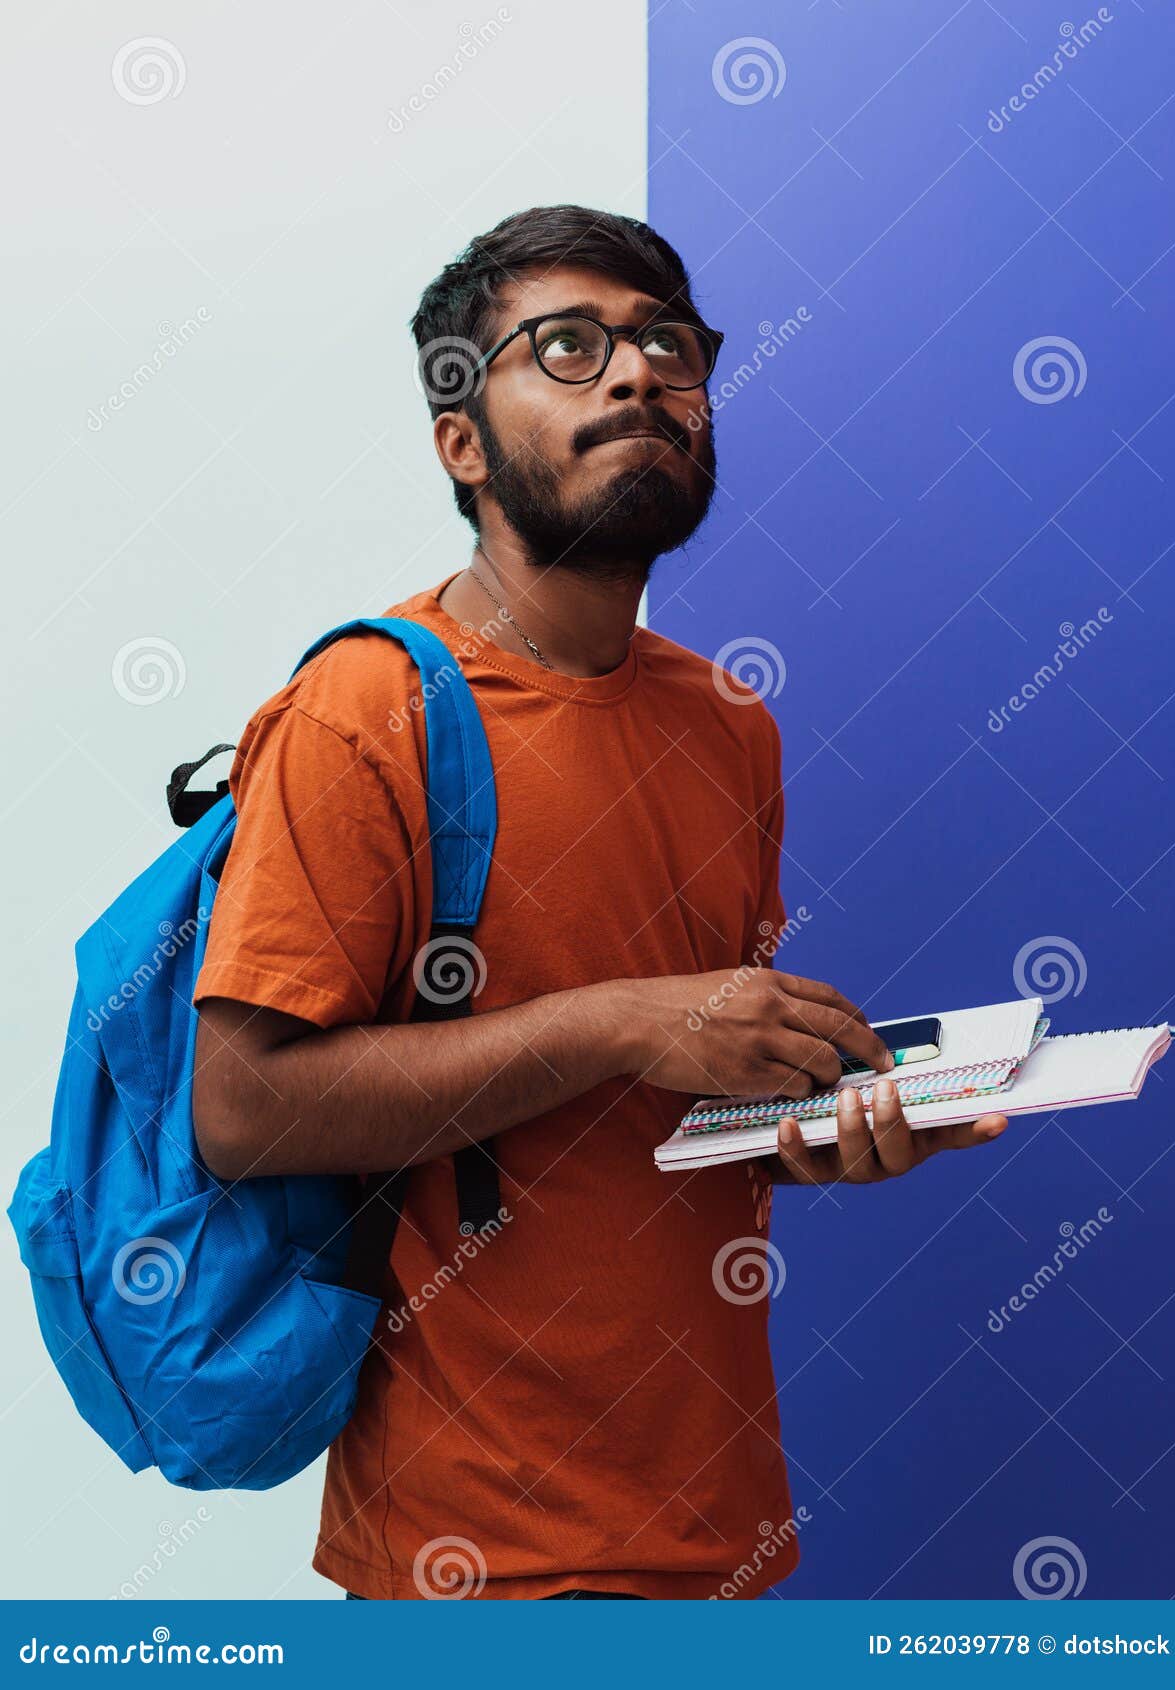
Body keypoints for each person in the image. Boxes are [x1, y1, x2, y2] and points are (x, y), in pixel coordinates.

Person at [191, 205, 1007, 1601]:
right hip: (476, 1558)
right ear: (462, 440)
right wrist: (629, 1022)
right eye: (565, 347)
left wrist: (804, 1131)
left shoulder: (729, 724)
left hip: (725, 1532)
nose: (635, 376)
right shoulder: (363, 709)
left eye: (666, 346)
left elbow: (668, 1112)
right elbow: (245, 1109)